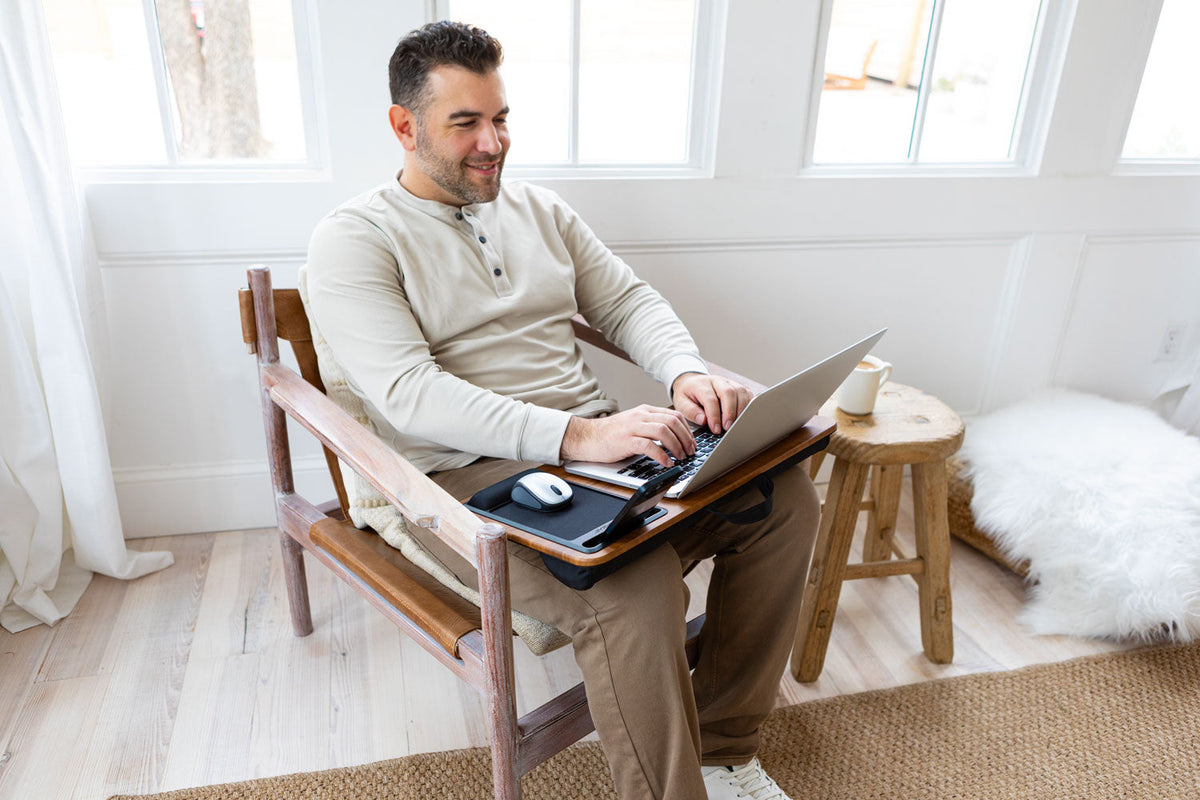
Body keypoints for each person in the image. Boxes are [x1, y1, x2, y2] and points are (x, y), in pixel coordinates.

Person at [304, 21, 821, 800]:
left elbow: (625, 301)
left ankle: (724, 752)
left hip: (600, 452)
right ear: (403, 127)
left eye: (501, 118)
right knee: (628, 587)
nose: (493, 142)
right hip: (468, 481)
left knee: (783, 500)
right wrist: (580, 436)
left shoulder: (540, 211)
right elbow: (410, 394)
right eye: (466, 122)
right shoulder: (354, 240)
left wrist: (683, 374)